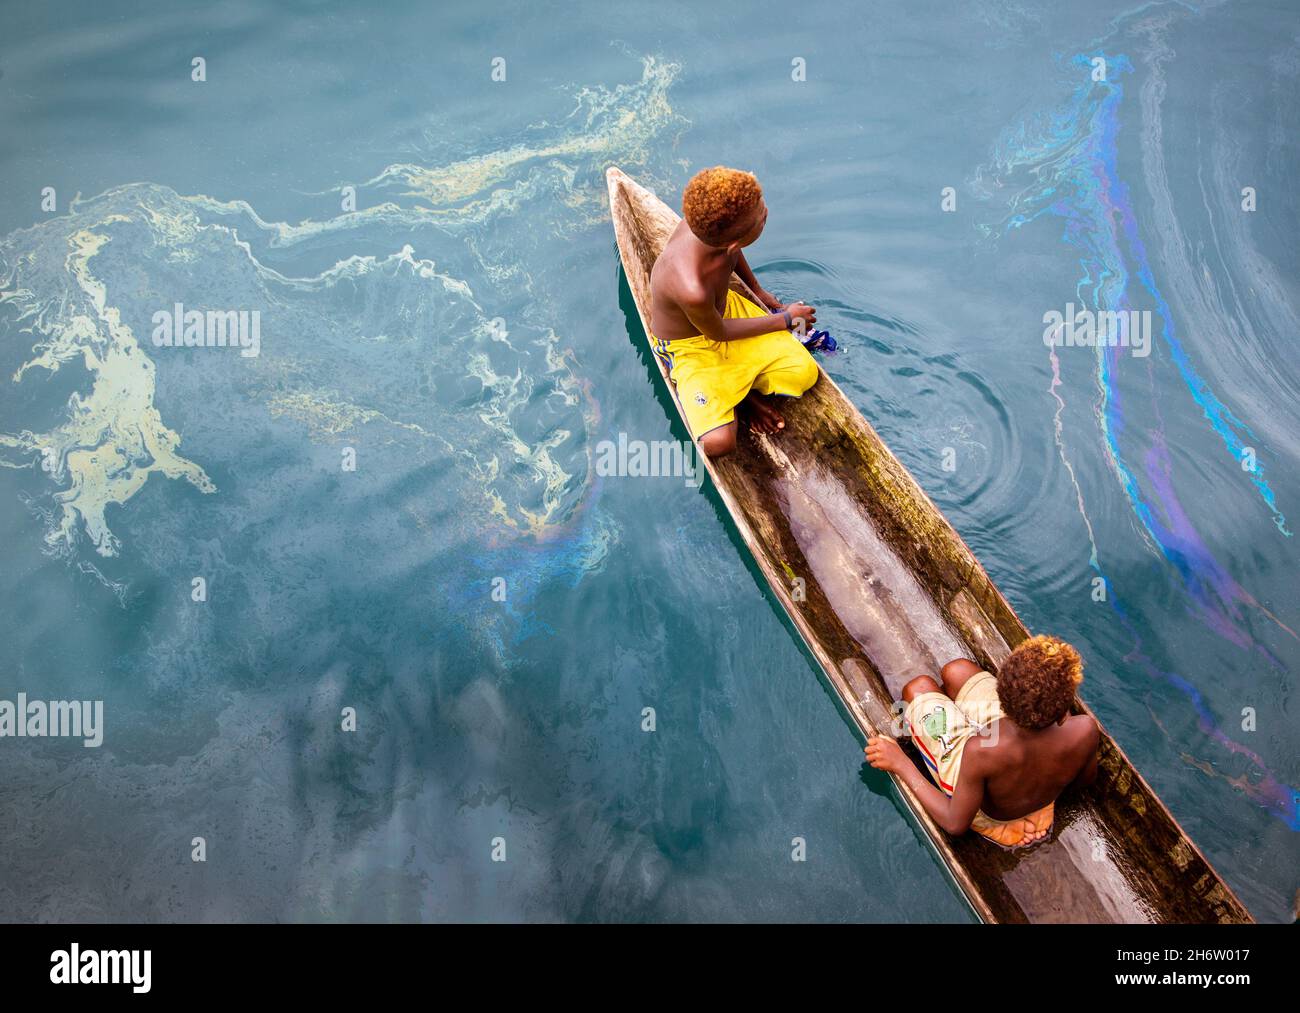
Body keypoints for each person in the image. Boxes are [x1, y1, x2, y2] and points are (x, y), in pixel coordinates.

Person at [865, 635, 1101, 848]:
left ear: (1002, 693)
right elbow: (1081, 782)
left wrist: (901, 763)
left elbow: (954, 823)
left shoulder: (981, 752)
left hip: (983, 809)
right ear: (1062, 712)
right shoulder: (1085, 730)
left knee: (917, 689)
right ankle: (1037, 807)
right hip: (1024, 771)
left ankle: (994, 825)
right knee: (957, 671)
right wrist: (1042, 800)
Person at [648, 166, 820, 457]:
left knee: (804, 374)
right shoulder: (692, 288)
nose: (765, 212)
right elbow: (718, 333)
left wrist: (756, 288)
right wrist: (786, 320)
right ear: (735, 242)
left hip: (726, 313)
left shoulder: (714, 236)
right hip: (691, 345)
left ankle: (739, 390)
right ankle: (743, 401)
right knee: (718, 444)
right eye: (761, 217)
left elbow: (731, 255)